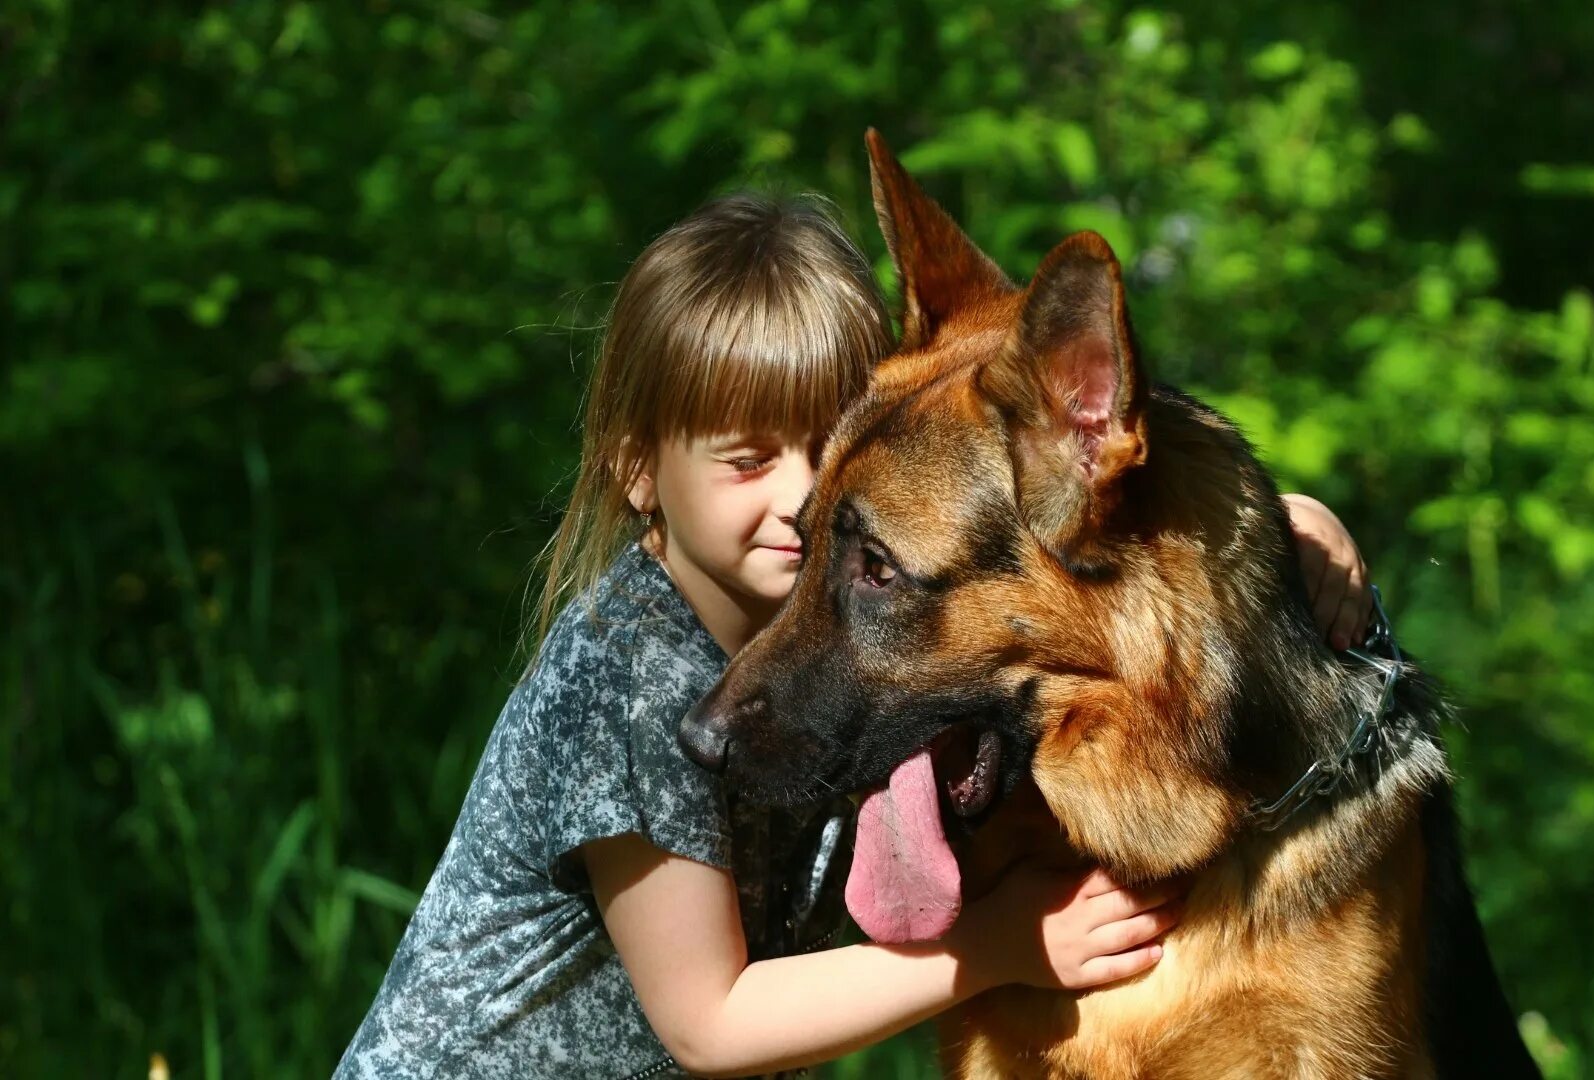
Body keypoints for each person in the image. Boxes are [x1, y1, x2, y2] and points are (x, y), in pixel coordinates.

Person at [337, 192, 1375, 1079]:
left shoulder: (813, 616)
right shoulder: (627, 675)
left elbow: (1079, 518)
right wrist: (998, 947)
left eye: (825, 451)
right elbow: (709, 1022)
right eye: (746, 459)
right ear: (639, 470)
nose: (800, 499)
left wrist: (1280, 531)